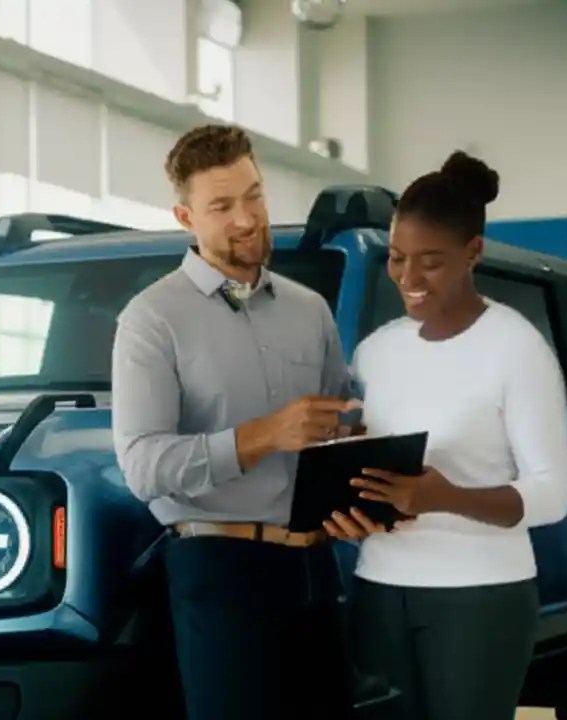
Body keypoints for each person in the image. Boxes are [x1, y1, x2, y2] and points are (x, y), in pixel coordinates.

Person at [110, 123, 384, 720]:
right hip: (219, 574)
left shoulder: (310, 311)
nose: (246, 218)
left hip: (314, 571)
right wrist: (264, 436)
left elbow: (339, 425)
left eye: (254, 195)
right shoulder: (152, 319)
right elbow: (142, 467)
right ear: (186, 217)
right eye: (222, 206)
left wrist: (360, 472)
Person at [324, 150, 567, 720]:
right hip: (380, 587)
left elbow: (552, 492)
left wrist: (446, 498)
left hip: (481, 596)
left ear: (473, 253)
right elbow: (366, 460)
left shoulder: (517, 349)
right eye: (397, 258)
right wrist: (344, 489)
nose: (408, 279)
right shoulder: (376, 350)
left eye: (431, 262)